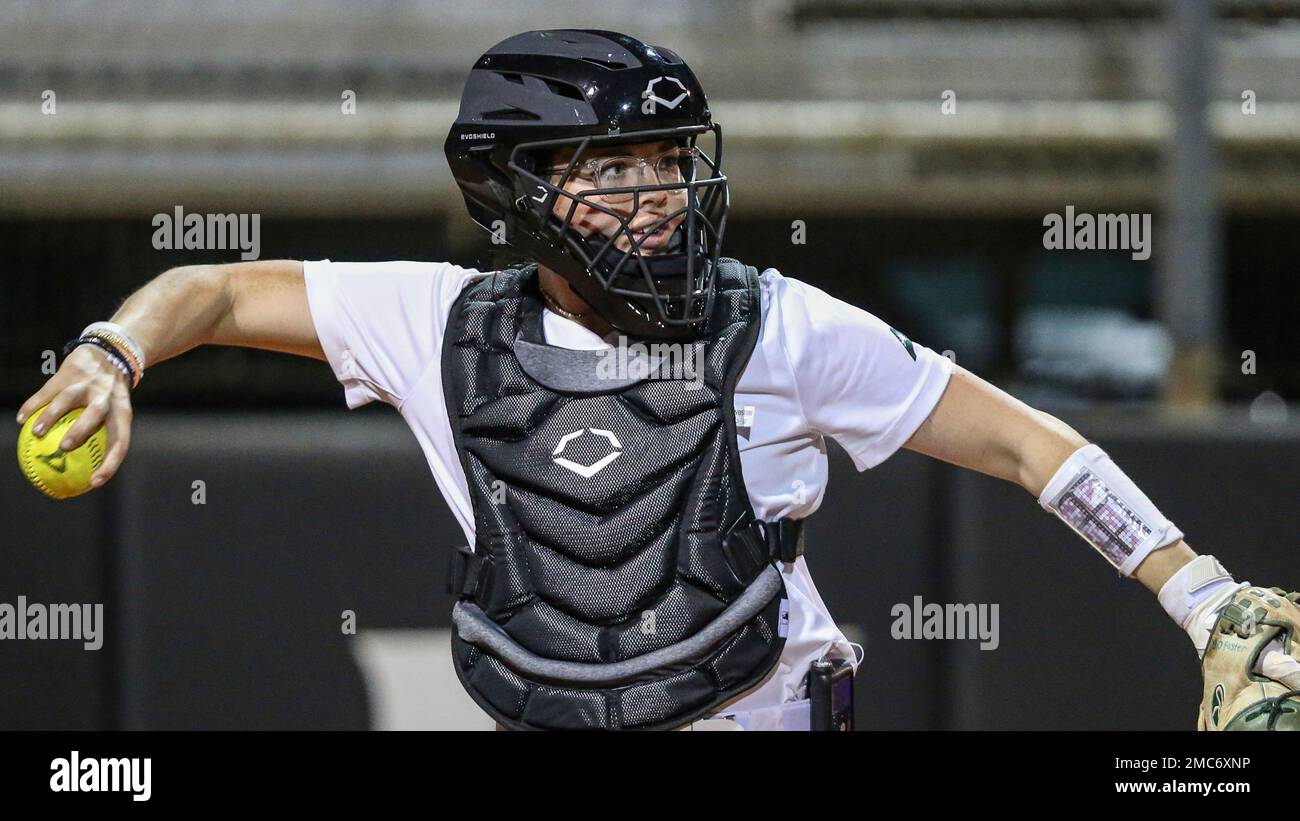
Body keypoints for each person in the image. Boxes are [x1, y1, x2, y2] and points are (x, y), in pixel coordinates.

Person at [18, 29, 1300, 731]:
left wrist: (1199, 594)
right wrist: (116, 347)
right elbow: (225, 287)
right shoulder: (439, 320)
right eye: (607, 169)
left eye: (668, 164)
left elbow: (1031, 448)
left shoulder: (785, 326)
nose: (651, 199)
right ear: (511, 190)